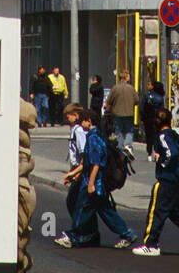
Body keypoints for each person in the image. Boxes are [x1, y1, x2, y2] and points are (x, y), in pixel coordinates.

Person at [54, 111, 136, 250]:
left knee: (81, 209)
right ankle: (127, 234)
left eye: (83, 120)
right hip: (97, 183)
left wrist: (91, 184)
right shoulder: (96, 136)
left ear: (90, 121)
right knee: (106, 211)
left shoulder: (93, 138)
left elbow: (95, 163)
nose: (81, 123)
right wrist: (73, 173)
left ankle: (73, 236)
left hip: (93, 183)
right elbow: (86, 162)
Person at [131, 109, 179, 257]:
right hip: (178, 179)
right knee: (174, 212)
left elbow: (172, 154)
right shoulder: (175, 135)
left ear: (156, 122)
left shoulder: (163, 136)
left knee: (156, 210)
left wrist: (162, 161)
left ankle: (151, 243)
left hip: (167, 179)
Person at [61, 105, 98, 245]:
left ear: (76, 115)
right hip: (78, 170)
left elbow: (83, 153)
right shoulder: (75, 130)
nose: (66, 119)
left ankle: (79, 233)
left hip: (81, 170)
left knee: (75, 203)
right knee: (83, 204)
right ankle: (90, 233)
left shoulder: (79, 131)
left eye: (68, 116)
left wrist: (77, 173)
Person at [106, 69, 138, 156]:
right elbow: (137, 100)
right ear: (126, 77)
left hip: (117, 113)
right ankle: (128, 145)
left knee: (118, 131)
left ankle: (120, 148)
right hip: (129, 113)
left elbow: (109, 101)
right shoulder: (131, 88)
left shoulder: (115, 88)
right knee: (129, 131)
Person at [140, 77, 165, 158]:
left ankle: (149, 152)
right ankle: (156, 151)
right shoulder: (160, 97)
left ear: (153, 86)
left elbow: (142, 108)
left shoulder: (147, 95)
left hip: (148, 118)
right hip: (157, 119)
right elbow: (162, 109)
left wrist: (142, 118)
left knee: (149, 136)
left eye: (149, 84)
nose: (148, 86)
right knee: (157, 135)